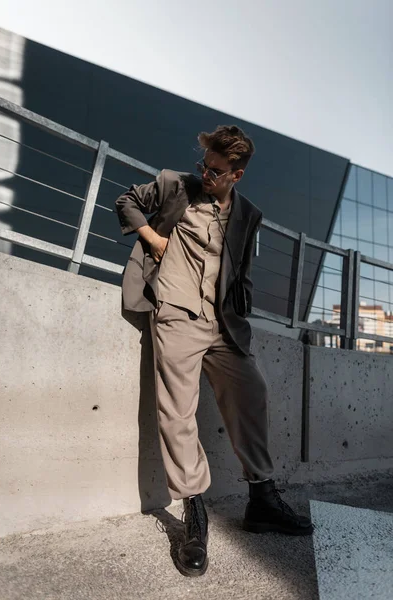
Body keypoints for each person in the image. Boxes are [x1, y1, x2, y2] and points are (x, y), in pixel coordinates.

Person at [115, 125, 313, 577]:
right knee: (177, 412)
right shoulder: (175, 184)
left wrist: (238, 308)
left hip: (222, 323)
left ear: (237, 175)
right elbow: (126, 200)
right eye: (205, 164)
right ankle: (194, 514)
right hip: (176, 313)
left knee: (252, 392)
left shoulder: (248, 215)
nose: (206, 172)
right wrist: (155, 239)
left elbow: (239, 271)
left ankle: (261, 500)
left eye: (217, 170)